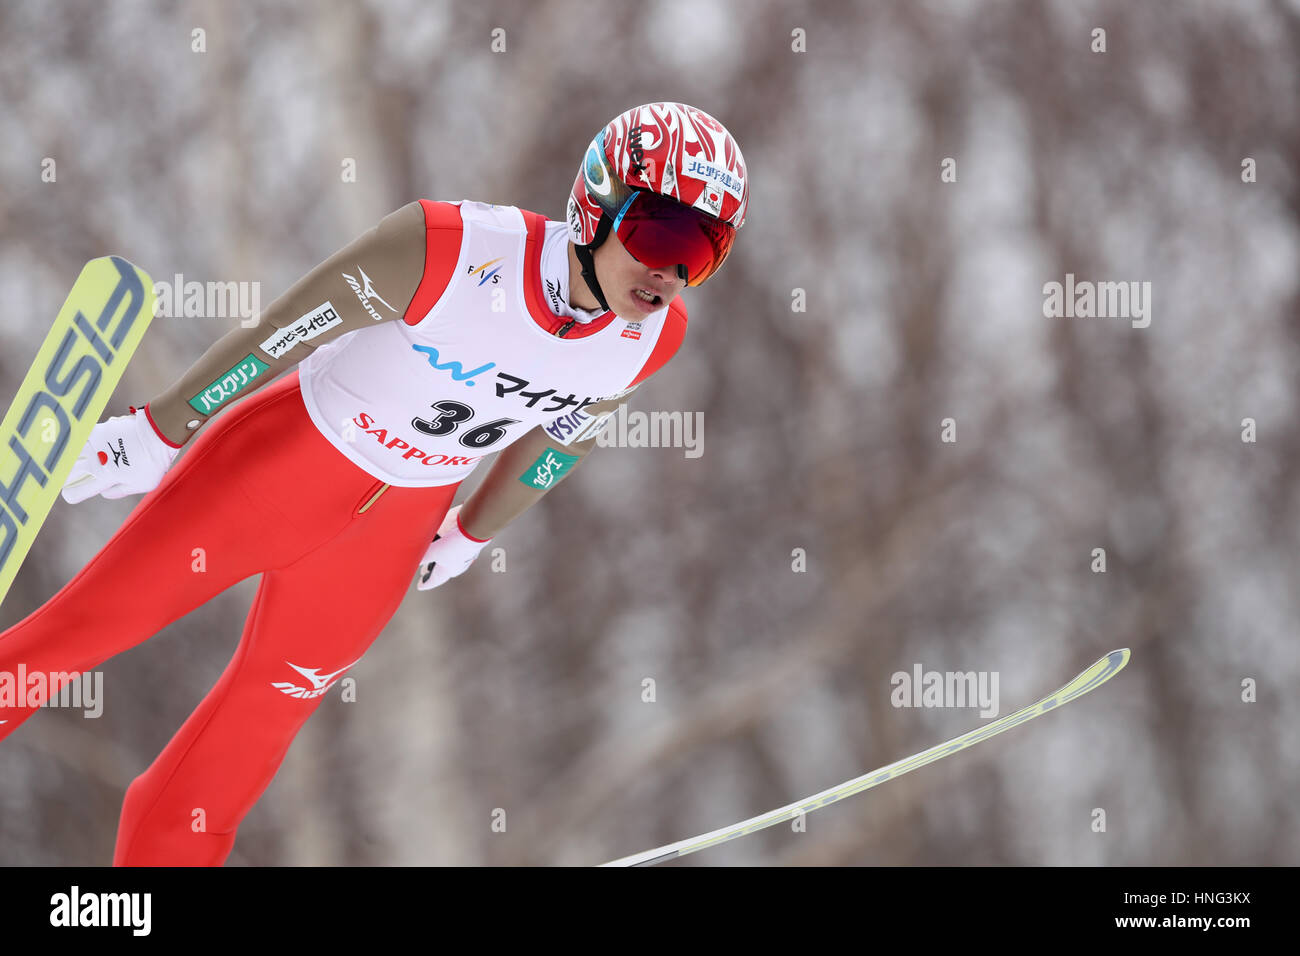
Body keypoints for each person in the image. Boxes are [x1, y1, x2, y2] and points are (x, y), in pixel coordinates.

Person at [0, 101, 748, 866]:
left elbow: (565, 440)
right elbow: (284, 332)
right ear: (597, 204)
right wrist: (163, 428)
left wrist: (469, 532)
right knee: (78, 634)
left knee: (239, 755)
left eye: (705, 250)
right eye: (662, 234)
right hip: (277, 470)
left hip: (380, 544)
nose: (672, 271)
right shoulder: (448, 249)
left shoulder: (651, 338)